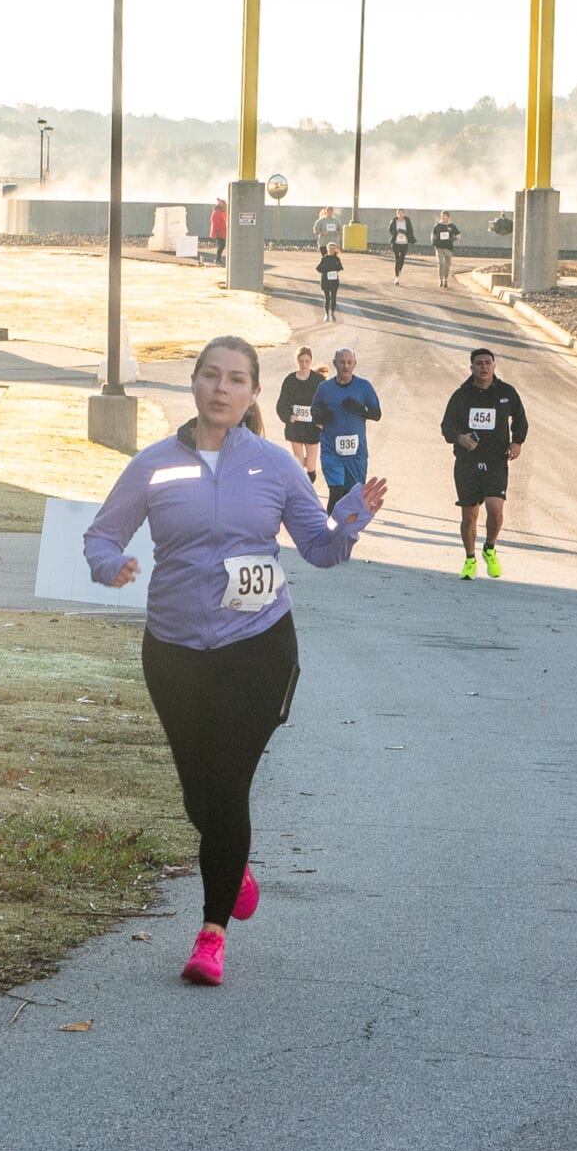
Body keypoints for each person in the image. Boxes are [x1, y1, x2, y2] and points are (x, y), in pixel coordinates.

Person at [84, 336, 387, 986]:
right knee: (202, 791)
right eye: (211, 376)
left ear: (252, 393)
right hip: (174, 650)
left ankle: (211, 934)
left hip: (259, 648)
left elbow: (319, 548)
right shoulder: (155, 465)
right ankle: (235, 855)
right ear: (194, 385)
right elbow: (103, 532)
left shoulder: (276, 467)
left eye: (237, 379)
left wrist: (352, 517)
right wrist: (110, 564)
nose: (223, 388)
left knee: (228, 783)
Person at [439, 347, 528, 580]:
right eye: (479, 363)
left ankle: (489, 548)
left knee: (495, 508)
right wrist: (460, 438)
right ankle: (470, 559)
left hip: (496, 460)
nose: (484, 367)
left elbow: (520, 419)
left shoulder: (506, 393)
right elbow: (446, 426)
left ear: (494, 366)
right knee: (469, 515)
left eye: (488, 363)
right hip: (467, 462)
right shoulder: (461, 395)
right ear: (471, 368)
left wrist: (517, 442)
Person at [311, 346, 382, 515]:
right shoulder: (324, 388)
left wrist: (360, 409)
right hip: (331, 450)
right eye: (342, 362)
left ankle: (346, 535)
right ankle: (329, 533)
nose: (346, 366)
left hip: (356, 453)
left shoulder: (364, 387)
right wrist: (321, 417)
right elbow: (314, 412)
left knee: (352, 496)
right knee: (336, 492)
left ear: (355, 364)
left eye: (349, 362)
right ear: (335, 363)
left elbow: (377, 414)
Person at [274, 346, 327, 483]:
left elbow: (326, 402)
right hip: (295, 425)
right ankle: (302, 489)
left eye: (307, 361)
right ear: (297, 361)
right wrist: (288, 416)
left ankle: (307, 477)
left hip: (312, 426)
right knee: (298, 462)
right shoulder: (290, 380)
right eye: (301, 361)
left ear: (311, 361)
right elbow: (282, 402)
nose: (304, 364)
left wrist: (322, 421)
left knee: (310, 464)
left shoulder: (318, 380)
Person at [430, 211, 462, 288]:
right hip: (439, 247)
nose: (443, 218)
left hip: (448, 248)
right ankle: (440, 280)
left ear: (448, 217)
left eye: (444, 216)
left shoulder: (452, 226)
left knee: (447, 264)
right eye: (442, 216)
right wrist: (433, 242)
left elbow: (459, 235)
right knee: (440, 263)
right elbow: (433, 234)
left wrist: (453, 239)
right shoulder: (437, 225)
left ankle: (445, 279)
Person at [315, 242, 344, 321]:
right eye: (330, 248)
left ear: (335, 249)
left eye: (333, 249)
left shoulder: (337, 259)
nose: (331, 250)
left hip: (334, 281)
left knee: (333, 298)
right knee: (327, 298)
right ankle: (326, 314)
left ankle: (333, 313)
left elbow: (340, 268)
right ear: (327, 249)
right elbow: (318, 268)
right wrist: (326, 271)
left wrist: (334, 270)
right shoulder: (324, 258)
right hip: (325, 281)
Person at [387, 208, 415, 283]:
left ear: (404, 214)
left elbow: (411, 231)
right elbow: (390, 230)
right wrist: (396, 232)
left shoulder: (407, 221)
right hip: (396, 242)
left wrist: (405, 232)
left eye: (402, 213)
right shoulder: (394, 221)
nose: (400, 215)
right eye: (399, 213)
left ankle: (399, 271)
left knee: (402, 259)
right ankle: (396, 277)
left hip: (404, 243)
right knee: (397, 259)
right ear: (397, 214)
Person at [207, 198, 229, 267]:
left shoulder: (222, 212)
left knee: (221, 245)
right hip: (219, 232)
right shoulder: (217, 212)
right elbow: (215, 222)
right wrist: (216, 231)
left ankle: (217, 259)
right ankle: (217, 260)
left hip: (222, 232)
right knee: (221, 245)